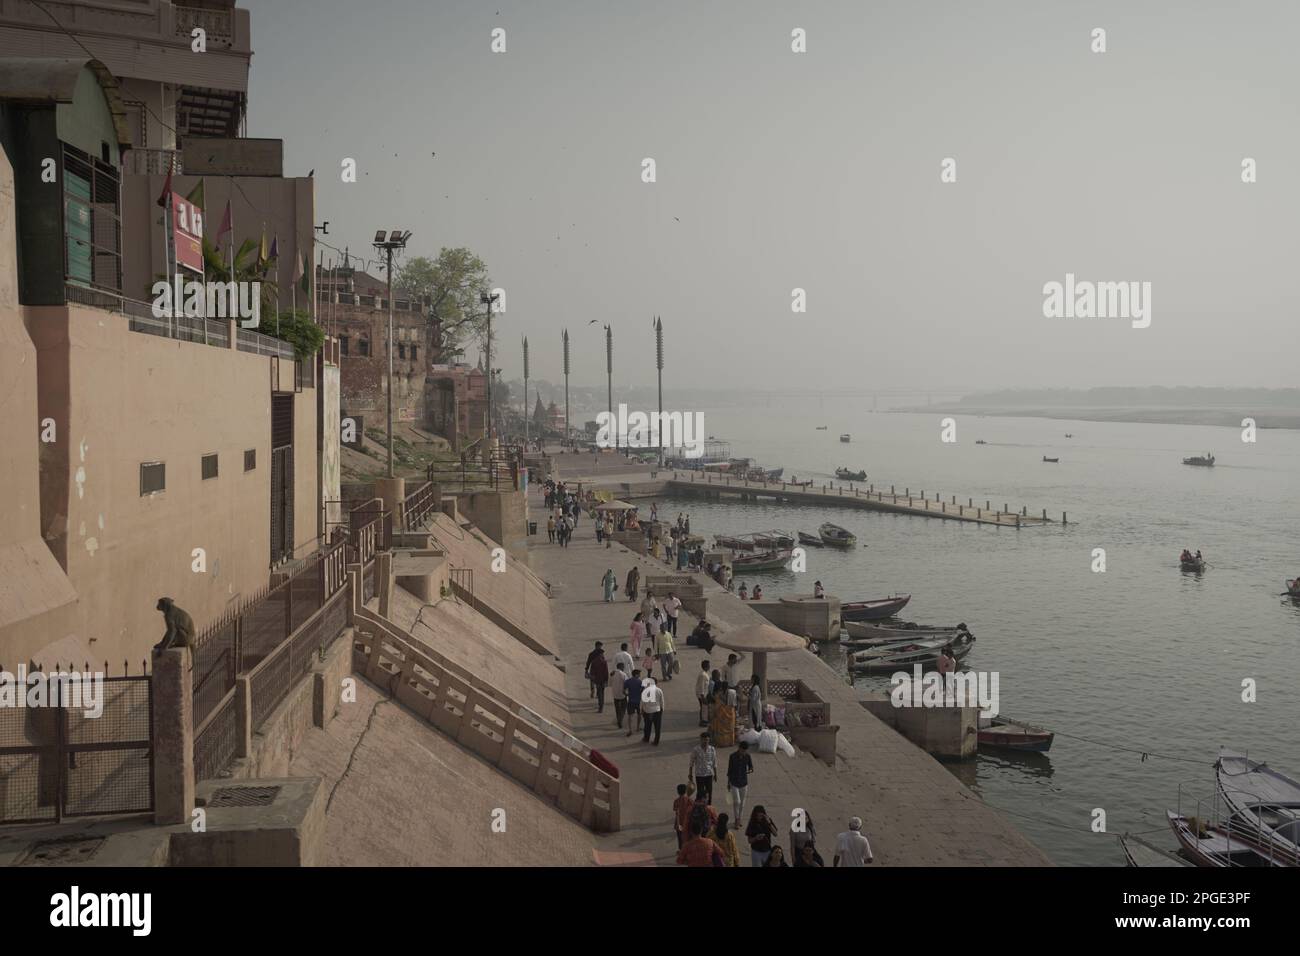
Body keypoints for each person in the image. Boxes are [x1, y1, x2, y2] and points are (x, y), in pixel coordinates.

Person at [727, 741, 754, 823]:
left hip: (743, 782)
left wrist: (748, 771)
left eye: (745, 751)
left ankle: (739, 819)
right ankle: (736, 819)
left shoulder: (747, 756)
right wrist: (728, 783)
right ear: (739, 748)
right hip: (734, 782)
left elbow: (751, 767)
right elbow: (729, 770)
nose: (743, 752)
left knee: (742, 803)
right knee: (737, 802)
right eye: (742, 750)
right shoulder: (732, 756)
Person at [688, 732, 718, 805]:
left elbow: (714, 762)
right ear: (701, 739)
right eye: (704, 740)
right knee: (700, 792)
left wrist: (715, 774)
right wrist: (690, 774)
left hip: (709, 774)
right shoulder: (696, 750)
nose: (705, 742)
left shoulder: (712, 749)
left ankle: (709, 808)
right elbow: (691, 763)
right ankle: (698, 807)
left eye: (707, 740)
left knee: (709, 792)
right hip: (699, 774)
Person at [710, 679, 736, 746]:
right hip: (728, 713)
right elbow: (734, 704)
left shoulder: (719, 694)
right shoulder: (731, 693)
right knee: (728, 729)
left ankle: (723, 742)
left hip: (722, 714)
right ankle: (728, 742)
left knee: (724, 729)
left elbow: (717, 705)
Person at [641, 676, 664, 744]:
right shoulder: (659, 690)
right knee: (657, 727)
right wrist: (662, 709)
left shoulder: (645, 690)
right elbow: (662, 701)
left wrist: (641, 709)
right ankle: (656, 741)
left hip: (647, 711)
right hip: (657, 710)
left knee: (647, 726)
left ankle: (646, 738)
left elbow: (642, 702)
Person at [588, 645, 609, 713]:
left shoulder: (594, 662)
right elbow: (606, 672)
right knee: (602, 693)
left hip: (597, 680)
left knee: (600, 693)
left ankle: (600, 706)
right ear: (600, 654)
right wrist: (606, 680)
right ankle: (601, 705)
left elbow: (592, 672)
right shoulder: (604, 662)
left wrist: (592, 679)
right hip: (603, 680)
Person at [624, 669, 644, 736]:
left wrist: (627, 695)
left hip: (630, 700)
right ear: (636, 674)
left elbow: (624, 690)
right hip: (638, 701)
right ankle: (638, 727)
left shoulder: (628, 681)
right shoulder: (640, 682)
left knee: (630, 716)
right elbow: (642, 691)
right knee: (639, 715)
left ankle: (630, 730)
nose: (640, 675)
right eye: (639, 674)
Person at [655, 615, 675, 682]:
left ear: (665, 628)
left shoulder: (668, 634)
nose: (663, 628)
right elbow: (656, 645)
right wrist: (656, 653)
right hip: (662, 652)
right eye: (662, 627)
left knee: (671, 663)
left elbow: (671, 642)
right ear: (660, 628)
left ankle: (669, 673)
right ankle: (664, 677)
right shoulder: (657, 635)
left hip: (670, 651)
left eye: (664, 627)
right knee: (663, 665)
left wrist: (674, 650)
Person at [672, 784, 693, 849]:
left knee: (680, 838)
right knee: (687, 837)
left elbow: (676, 810)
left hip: (679, 823)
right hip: (687, 822)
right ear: (686, 791)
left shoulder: (676, 801)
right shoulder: (689, 800)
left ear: (678, 792)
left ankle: (681, 849)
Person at [610, 661, 628, 728]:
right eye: (623, 667)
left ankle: (618, 719)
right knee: (623, 708)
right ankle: (620, 719)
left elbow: (609, 683)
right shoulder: (623, 674)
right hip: (622, 694)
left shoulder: (612, 674)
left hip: (615, 694)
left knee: (617, 709)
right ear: (621, 667)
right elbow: (626, 684)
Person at [694, 660, 712, 726]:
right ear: (706, 666)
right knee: (703, 707)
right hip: (702, 694)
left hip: (704, 693)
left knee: (703, 707)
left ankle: (703, 720)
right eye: (709, 665)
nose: (710, 666)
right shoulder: (702, 675)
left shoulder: (705, 673)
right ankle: (702, 721)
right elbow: (701, 686)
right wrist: (702, 696)